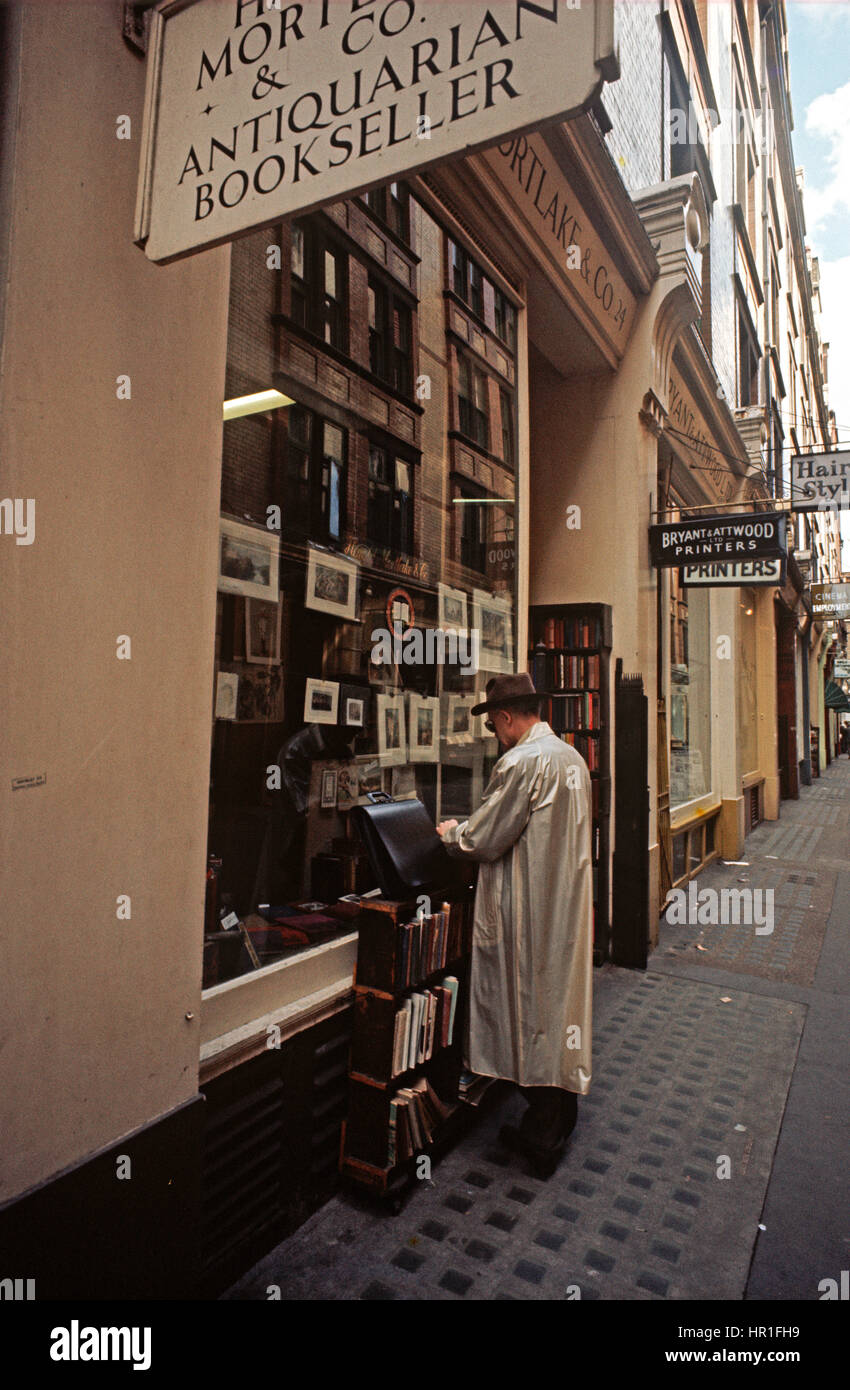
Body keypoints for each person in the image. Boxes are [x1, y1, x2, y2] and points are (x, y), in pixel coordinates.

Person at [437, 672, 593, 1178]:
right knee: (555, 1006)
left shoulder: (522, 762)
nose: (494, 736)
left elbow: (484, 838)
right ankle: (557, 1117)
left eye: (494, 725)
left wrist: (451, 832)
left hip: (529, 912)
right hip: (562, 906)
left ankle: (542, 1136)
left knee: (527, 1013)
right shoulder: (571, 757)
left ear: (506, 718)